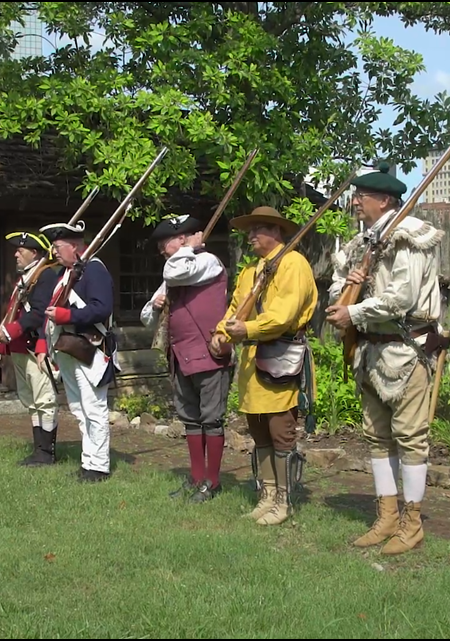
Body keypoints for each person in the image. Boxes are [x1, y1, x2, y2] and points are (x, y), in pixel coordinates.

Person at [324, 162, 446, 555]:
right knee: (377, 436)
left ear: (386, 200)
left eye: (363, 196)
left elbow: (402, 298)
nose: (356, 201)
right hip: (370, 351)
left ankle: (412, 523)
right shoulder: (362, 244)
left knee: (410, 437)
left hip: (405, 350)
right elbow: (337, 290)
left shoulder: (409, 236)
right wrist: (346, 297)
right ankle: (387, 517)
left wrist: (354, 312)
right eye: (355, 195)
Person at [211, 206, 317, 526]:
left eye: (258, 229)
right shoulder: (249, 272)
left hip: (281, 356)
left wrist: (249, 330)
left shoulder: (293, 264)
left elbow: (284, 315)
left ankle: (283, 501)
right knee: (259, 433)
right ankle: (266, 495)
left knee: (281, 431)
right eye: (250, 229)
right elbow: (235, 310)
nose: (251, 235)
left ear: (276, 232)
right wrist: (221, 334)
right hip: (251, 361)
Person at [140, 214, 234, 502]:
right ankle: (196, 478)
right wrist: (155, 306)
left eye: (165, 242)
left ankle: (213, 482)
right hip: (181, 356)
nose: (161, 250)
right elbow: (145, 317)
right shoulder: (180, 265)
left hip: (209, 354)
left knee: (211, 419)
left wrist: (188, 247)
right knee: (191, 420)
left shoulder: (206, 262)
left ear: (182, 239)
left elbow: (175, 272)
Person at [38, 220, 121, 483]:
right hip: (69, 348)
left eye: (58, 246)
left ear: (75, 246)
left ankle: (98, 466)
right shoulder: (66, 274)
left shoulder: (93, 270)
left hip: (90, 348)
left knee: (94, 408)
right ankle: (89, 461)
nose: (54, 251)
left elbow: (101, 308)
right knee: (78, 408)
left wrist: (67, 315)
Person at [0, 231, 62, 466]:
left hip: (36, 347)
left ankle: (46, 453)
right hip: (21, 347)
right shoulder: (26, 278)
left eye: (20, 250)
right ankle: (38, 450)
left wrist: (10, 333)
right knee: (31, 399)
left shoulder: (44, 276)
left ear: (34, 252)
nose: (15, 254)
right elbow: (12, 312)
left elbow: (40, 312)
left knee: (45, 399)